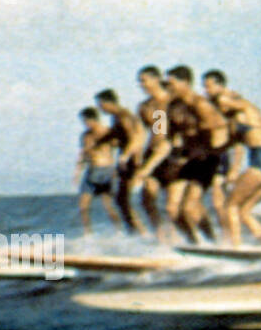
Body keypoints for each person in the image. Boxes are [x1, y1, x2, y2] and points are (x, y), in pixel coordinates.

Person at [204, 70, 261, 246]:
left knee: (227, 205)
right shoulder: (155, 108)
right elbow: (233, 143)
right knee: (242, 210)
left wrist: (224, 96)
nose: (205, 90)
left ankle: (233, 246)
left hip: (258, 159)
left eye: (208, 86)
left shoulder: (238, 107)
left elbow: (159, 134)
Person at [163, 65, 229, 244]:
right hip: (187, 158)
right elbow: (162, 133)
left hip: (208, 158)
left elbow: (221, 129)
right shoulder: (169, 107)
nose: (168, 88)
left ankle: (214, 242)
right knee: (171, 209)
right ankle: (194, 245)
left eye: (171, 84)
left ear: (185, 83)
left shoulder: (200, 104)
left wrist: (216, 158)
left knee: (190, 207)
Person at [130, 65, 183, 242]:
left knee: (171, 206)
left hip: (174, 154)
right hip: (153, 153)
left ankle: (178, 240)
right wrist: (136, 159)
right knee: (147, 199)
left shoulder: (173, 101)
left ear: (156, 79)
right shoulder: (144, 106)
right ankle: (161, 238)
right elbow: (141, 134)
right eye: (140, 81)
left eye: (143, 80)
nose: (141, 84)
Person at [94, 89, 148, 235]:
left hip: (131, 161)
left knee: (123, 199)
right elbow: (114, 134)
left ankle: (141, 233)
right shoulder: (116, 117)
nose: (100, 108)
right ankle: (135, 232)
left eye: (101, 105)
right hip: (126, 161)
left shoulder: (124, 116)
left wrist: (133, 161)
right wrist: (101, 141)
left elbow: (136, 139)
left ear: (108, 103)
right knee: (121, 199)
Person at [74, 107, 123, 234]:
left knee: (108, 206)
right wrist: (77, 172)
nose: (85, 124)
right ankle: (88, 234)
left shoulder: (108, 132)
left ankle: (119, 231)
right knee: (83, 206)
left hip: (106, 171)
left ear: (94, 119)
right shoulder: (85, 136)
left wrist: (119, 167)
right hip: (91, 172)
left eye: (86, 121)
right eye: (83, 122)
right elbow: (83, 154)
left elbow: (119, 146)